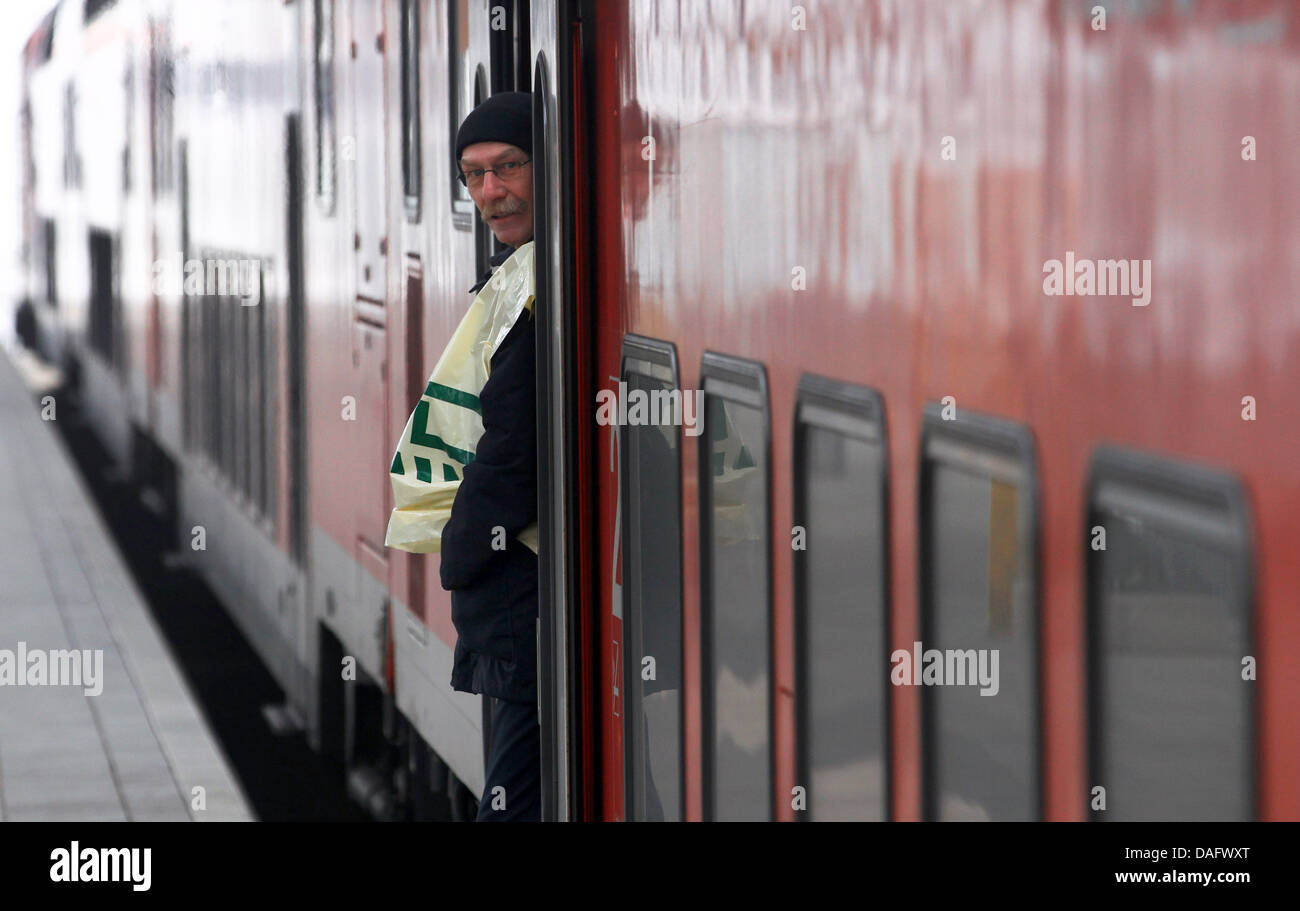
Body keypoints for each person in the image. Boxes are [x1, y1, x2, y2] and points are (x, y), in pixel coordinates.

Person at [438, 91, 541, 822]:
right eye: (474, 175)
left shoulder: (537, 286)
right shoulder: (518, 273)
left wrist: (462, 548)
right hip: (517, 611)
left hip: (525, 605)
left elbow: (512, 446)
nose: (490, 192)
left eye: (508, 167)